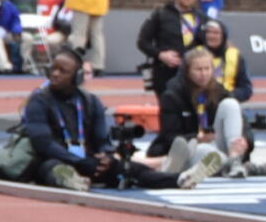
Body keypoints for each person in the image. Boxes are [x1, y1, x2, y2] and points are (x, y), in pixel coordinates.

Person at [17, 47, 180, 190]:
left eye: (62, 71)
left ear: (77, 77)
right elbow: (43, 144)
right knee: (53, 168)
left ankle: (180, 179)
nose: (55, 74)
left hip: (89, 162)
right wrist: (78, 161)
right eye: (53, 69)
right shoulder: (38, 101)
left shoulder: (91, 102)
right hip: (55, 161)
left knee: (130, 169)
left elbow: (102, 140)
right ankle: (73, 181)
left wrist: (106, 157)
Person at [147, 46, 249, 181]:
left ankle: (234, 159)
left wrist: (245, 141)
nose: (204, 74)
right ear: (188, 71)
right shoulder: (173, 94)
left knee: (231, 104)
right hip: (191, 149)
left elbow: (243, 123)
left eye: (207, 69)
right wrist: (197, 138)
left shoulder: (219, 91)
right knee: (210, 154)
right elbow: (169, 137)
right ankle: (241, 166)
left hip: (219, 144)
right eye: (198, 70)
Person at [136, 0, 204, 92]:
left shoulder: (202, 18)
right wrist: (161, 55)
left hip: (193, 76)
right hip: (165, 74)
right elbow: (142, 42)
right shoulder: (160, 15)